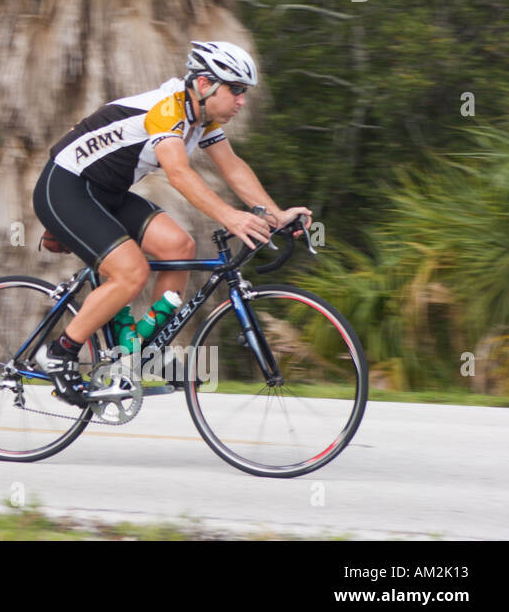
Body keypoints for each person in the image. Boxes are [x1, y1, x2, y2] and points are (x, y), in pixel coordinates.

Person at [32, 40, 310, 404]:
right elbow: (178, 173)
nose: (242, 101)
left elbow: (233, 167)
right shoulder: (168, 110)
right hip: (66, 186)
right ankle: (59, 353)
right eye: (236, 90)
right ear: (205, 84)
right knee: (130, 272)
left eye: (245, 92)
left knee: (179, 247)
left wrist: (275, 216)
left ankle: (141, 354)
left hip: (107, 194)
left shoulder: (203, 117)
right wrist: (231, 216)